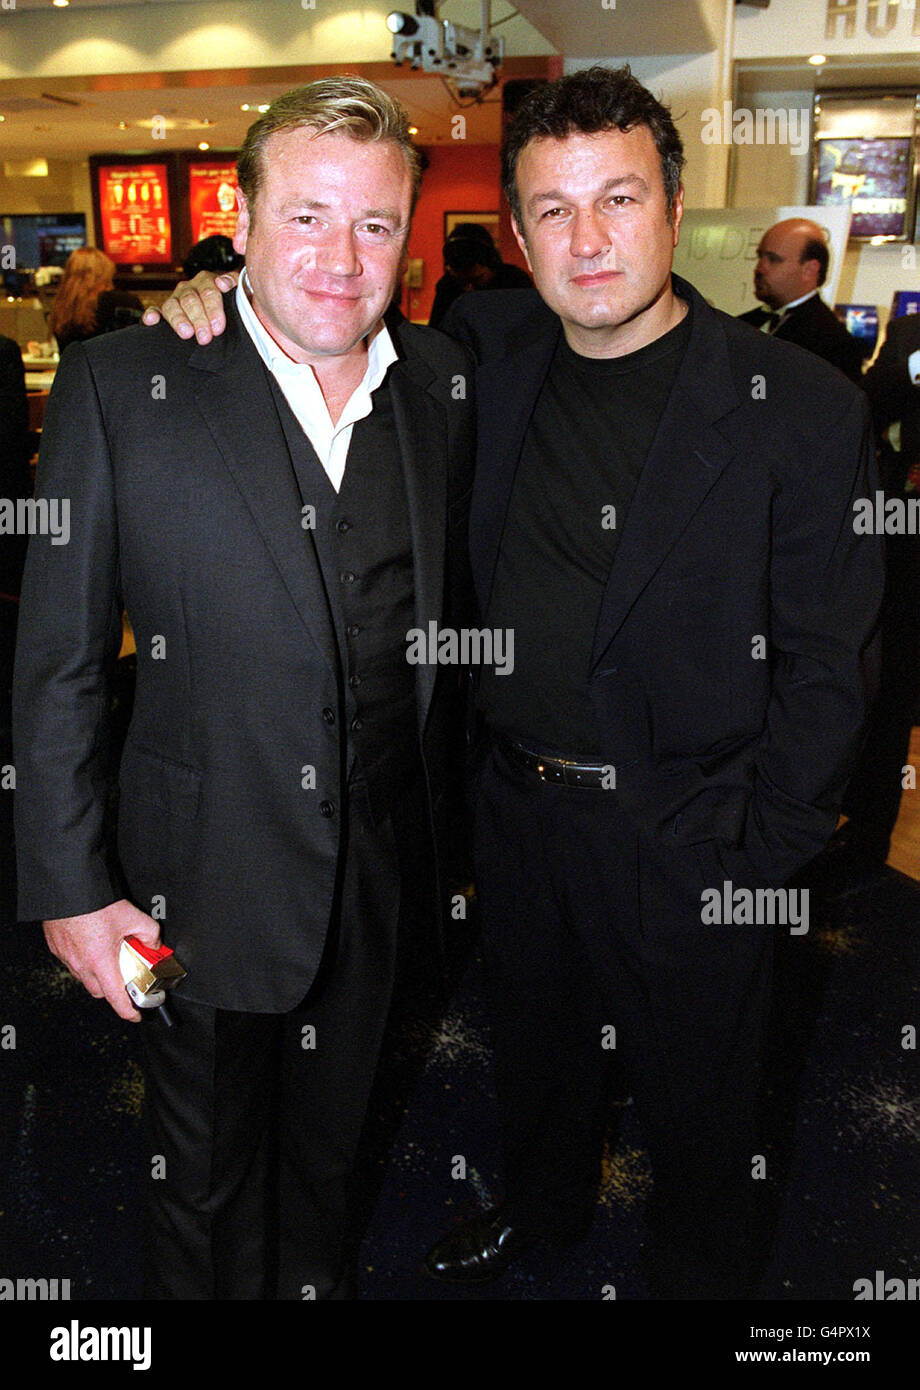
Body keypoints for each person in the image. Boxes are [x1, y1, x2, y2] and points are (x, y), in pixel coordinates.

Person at [151, 66, 884, 1300]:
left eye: (616, 198)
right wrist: (213, 294)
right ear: (518, 228)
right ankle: (542, 1218)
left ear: (673, 202)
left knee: (706, 1111)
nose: (585, 238)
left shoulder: (798, 408)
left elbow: (832, 664)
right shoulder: (476, 354)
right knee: (535, 1062)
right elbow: (318, 315)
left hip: (696, 831)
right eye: (550, 208)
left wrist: (762, 854)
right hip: (515, 818)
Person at [14, 77, 473, 1301]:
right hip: (190, 886)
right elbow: (56, 660)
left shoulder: (439, 387)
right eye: (307, 216)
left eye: (374, 224)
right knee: (200, 1188)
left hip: (379, 884)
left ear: (409, 239)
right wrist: (70, 887)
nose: (339, 256)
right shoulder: (126, 388)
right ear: (244, 216)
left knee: (331, 1170)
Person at [828, 308, 920, 866]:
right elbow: (871, 402)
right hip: (902, 547)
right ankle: (863, 834)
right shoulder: (912, 333)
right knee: (884, 689)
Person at [738, 218, 866, 384]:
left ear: (809, 270)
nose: (760, 268)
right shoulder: (740, 324)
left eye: (773, 259)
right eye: (760, 257)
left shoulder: (833, 343)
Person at [427, 222, 532, 329]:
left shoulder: (515, 282)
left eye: (476, 279)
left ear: (491, 266)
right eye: (461, 282)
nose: (469, 289)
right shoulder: (447, 287)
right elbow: (437, 331)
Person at [48, 247, 143, 355]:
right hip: (112, 369)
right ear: (106, 272)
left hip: (73, 370)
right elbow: (141, 341)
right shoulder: (122, 301)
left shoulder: (61, 307)